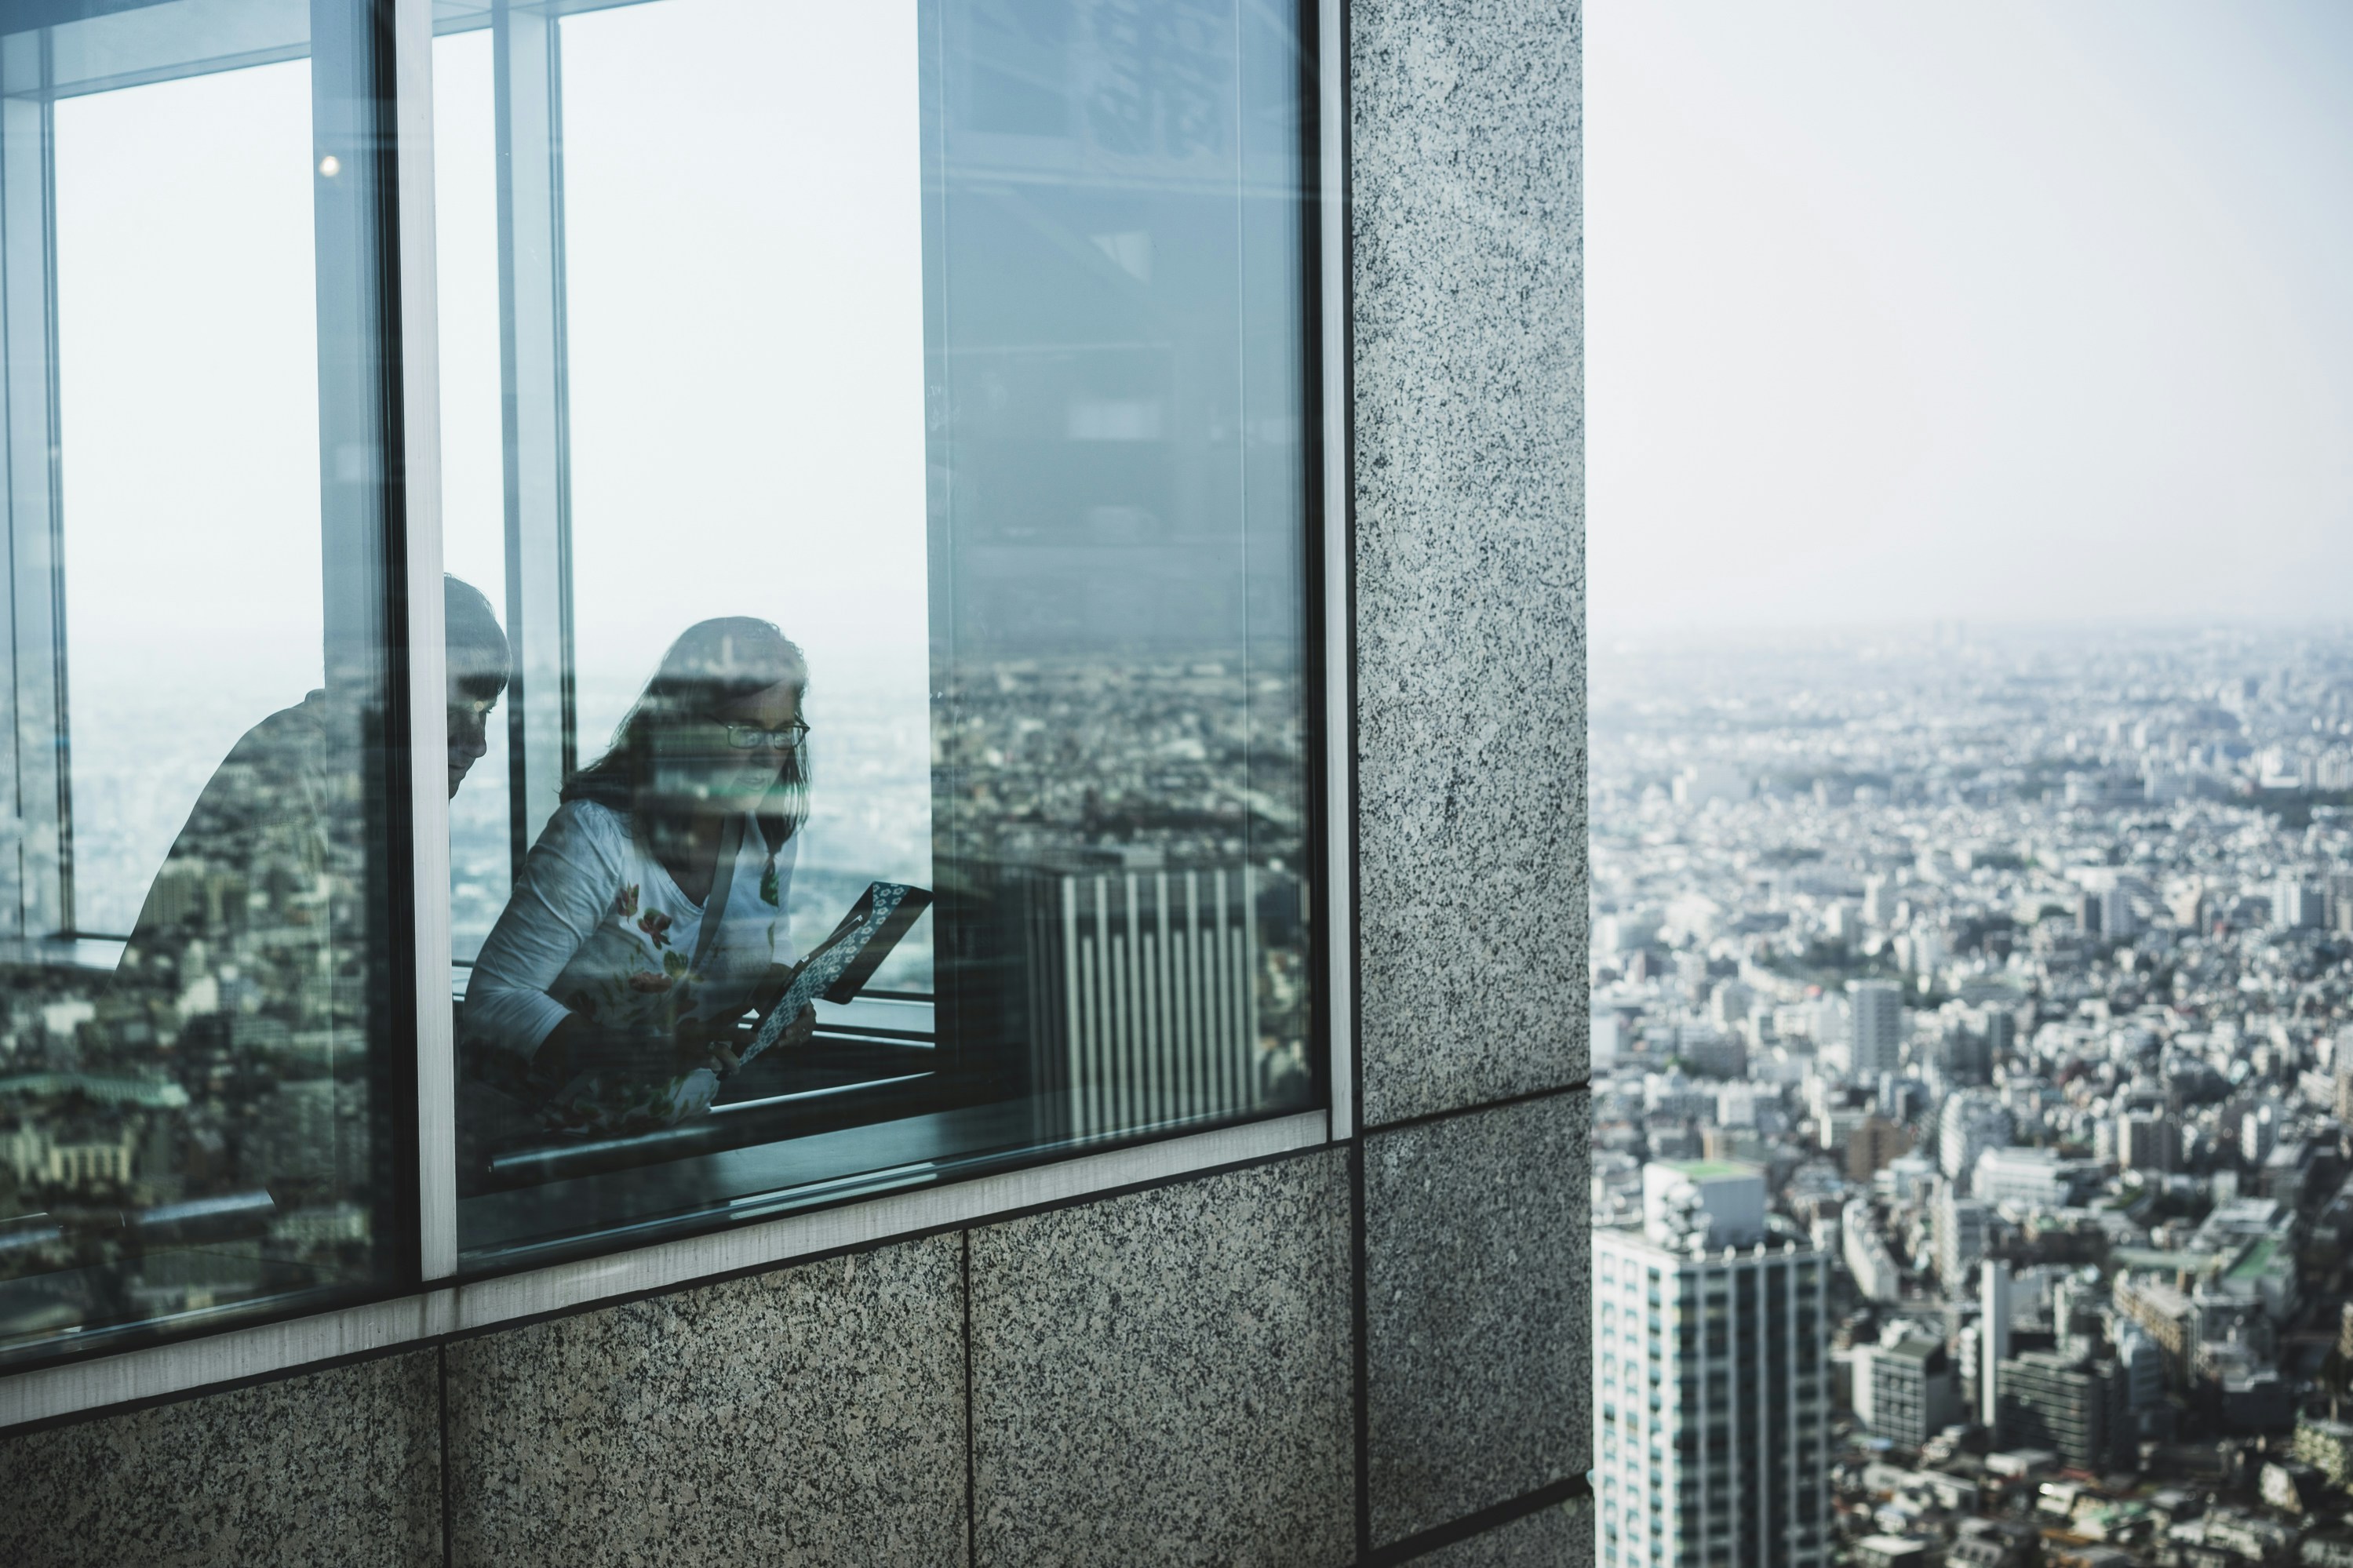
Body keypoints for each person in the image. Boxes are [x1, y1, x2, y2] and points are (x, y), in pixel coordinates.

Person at [461, 617, 818, 1137]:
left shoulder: (767, 833)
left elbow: (768, 944)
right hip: (543, 1145)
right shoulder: (597, 836)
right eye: (746, 731)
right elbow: (496, 996)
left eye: (783, 731)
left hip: (679, 1134)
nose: (768, 756)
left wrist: (778, 993)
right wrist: (639, 1054)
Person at [110, 575, 511, 1021]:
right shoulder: (294, 770)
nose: (477, 745)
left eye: (484, 713)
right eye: (446, 712)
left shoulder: (364, 777)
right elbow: (301, 1014)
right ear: (373, 692)